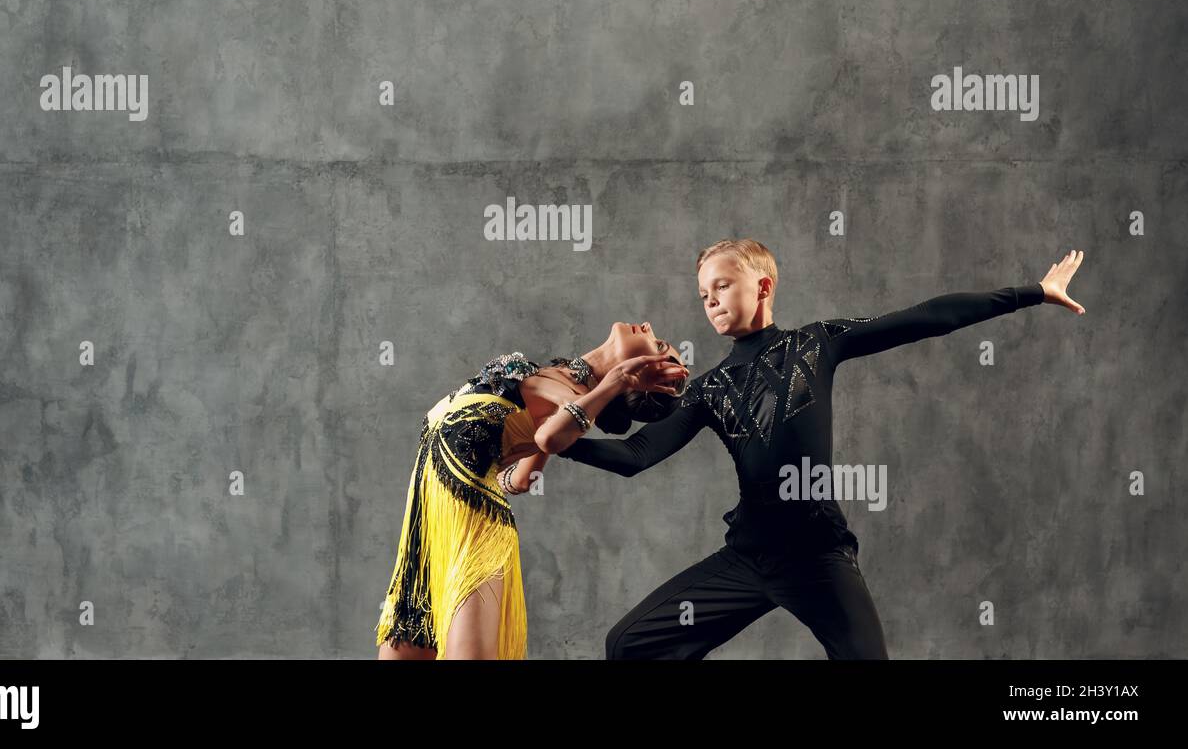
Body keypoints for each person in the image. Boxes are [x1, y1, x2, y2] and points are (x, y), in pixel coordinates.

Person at [552, 238, 1086, 659]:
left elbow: (925, 317)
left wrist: (1031, 292)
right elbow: (634, 456)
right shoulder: (708, 389)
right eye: (703, 294)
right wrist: (548, 438)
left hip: (816, 555)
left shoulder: (815, 343)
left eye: (721, 285)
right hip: (748, 557)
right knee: (629, 645)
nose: (710, 300)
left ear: (762, 287)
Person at [375, 322, 690, 659]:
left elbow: (548, 439)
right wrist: (500, 477)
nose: (647, 327)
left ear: (638, 375)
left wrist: (614, 383)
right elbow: (524, 478)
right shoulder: (560, 378)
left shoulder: (577, 404)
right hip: (426, 529)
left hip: (474, 530)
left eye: (657, 345)